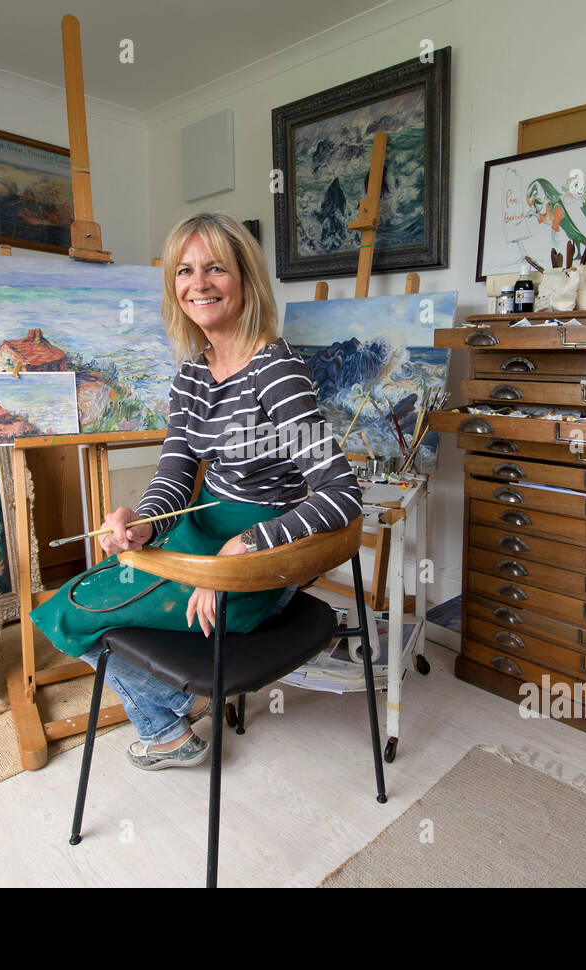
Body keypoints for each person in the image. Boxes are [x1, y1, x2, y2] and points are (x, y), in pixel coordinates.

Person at [30, 212, 362, 770]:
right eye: (185, 271)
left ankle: (165, 727)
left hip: (261, 554)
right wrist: (144, 522)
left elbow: (341, 491)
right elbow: (175, 478)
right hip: (202, 530)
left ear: (245, 279)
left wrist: (249, 546)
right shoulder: (189, 376)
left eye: (215, 268)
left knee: (73, 612)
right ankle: (176, 707)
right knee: (75, 600)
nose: (198, 283)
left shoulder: (277, 371)